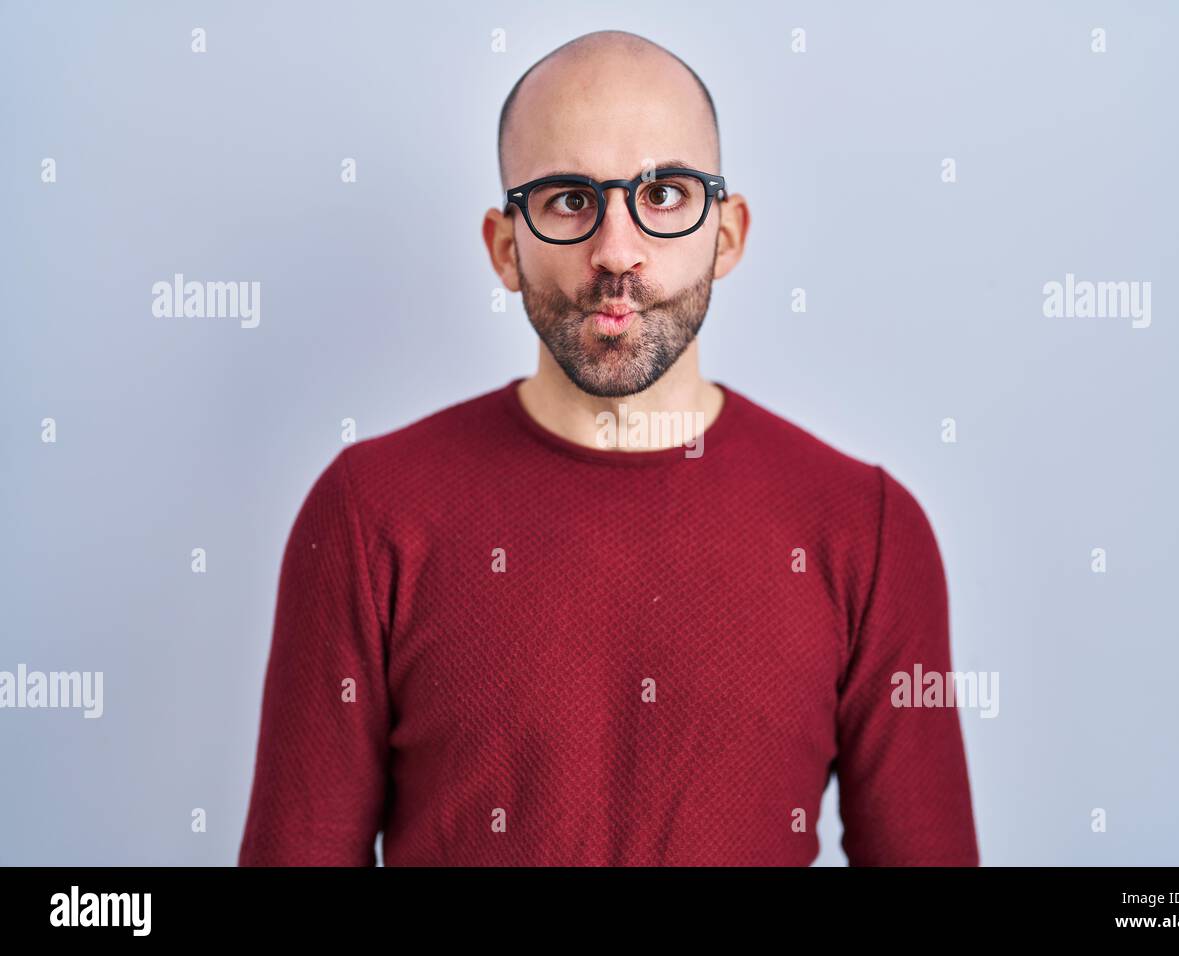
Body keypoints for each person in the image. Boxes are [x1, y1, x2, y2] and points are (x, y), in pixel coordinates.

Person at [238, 29, 978, 866]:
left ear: (727, 235)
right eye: (566, 199)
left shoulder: (867, 532)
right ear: (503, 247)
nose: (616, 252)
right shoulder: (365, 514)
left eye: (663, 194)